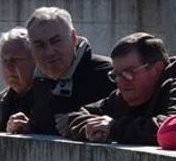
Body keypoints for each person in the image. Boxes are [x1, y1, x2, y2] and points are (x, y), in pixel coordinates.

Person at [61, 33, 176, 145]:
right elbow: (74, 115)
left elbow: (174, 128)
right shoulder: (121, 98)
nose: (120, 81)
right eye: (116, 74)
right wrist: (92, 129)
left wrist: (114, 129)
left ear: (157, 68)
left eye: (129, 72)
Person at [6, 7, 114, 135]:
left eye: (56, 41)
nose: (49, 52)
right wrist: (27, 128)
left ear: (73, 38)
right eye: (40, 45)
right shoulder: (38, 80)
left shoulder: (107, 74)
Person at [0, 27, 36, 132]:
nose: (9, 68)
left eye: (15, 60)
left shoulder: (50, 100)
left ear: (36, 60)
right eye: (5, 60)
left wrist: (33, 131)